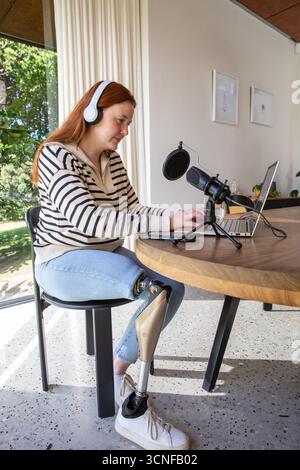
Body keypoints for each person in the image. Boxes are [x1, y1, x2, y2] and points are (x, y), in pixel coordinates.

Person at [32, 80, 199, 450]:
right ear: (91, 114)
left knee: (176, 286)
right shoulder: (55, 155)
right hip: (62, 262)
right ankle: (134, 415)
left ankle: (115, 371)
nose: (125, 131)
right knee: (157, 292)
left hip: (104, 256)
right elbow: (88, 221)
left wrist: (178, 213)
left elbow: (135, 210)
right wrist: (165, 222)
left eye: (128, 124)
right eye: (120, 121)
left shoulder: (113, 160)